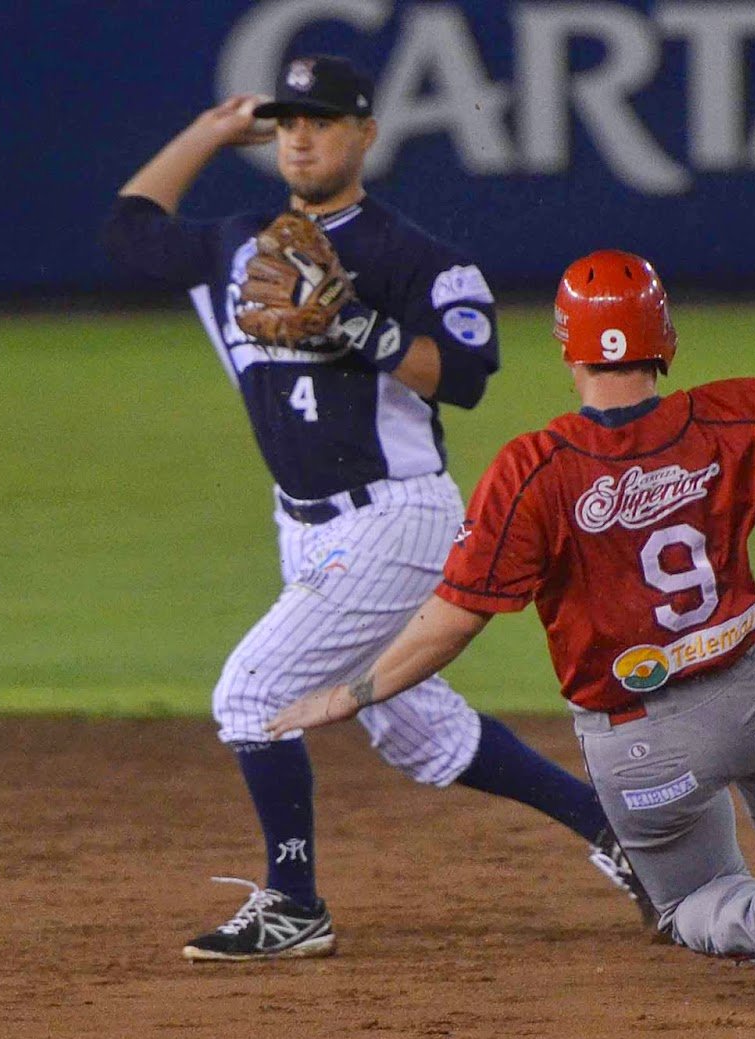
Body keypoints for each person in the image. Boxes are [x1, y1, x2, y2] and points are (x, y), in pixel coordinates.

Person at [264, 246, 755, 1010]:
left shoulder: (532, 469)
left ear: (568, 351)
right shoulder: (732, 417)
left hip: (640, 744)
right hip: (750, 696)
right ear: (666, 342)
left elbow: (455, 620)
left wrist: (352, 693)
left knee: (686, 899)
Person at [102, 55, 653, 962]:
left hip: (397, 519)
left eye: (320, 120)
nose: (301, 137)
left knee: (250, 694)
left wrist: (355, 327)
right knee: (411, 721)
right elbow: (128, 233)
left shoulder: (414, 256)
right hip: (305, 526)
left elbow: (470, 376)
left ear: (366, 134)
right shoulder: (236, 243)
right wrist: (209, 129)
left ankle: (294, 904)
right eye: (285, 124)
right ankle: (617, 834)